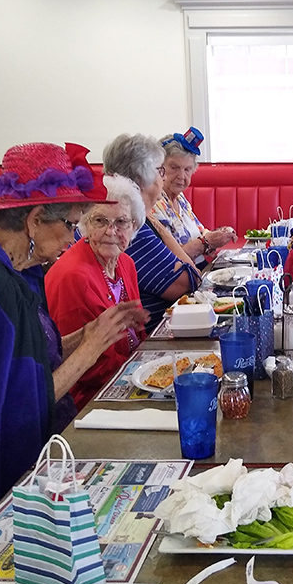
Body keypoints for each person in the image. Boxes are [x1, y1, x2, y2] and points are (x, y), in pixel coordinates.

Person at [0, 142, 147, 515]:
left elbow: (35, 358)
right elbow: (21, 406)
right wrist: (91, 348)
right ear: (35, 220)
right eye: (72, 224)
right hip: (17, 479)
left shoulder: (20, 271)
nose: (75, 237)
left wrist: (87, 334)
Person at [45, 175, 149, 409]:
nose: (111, 231)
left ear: (134, 226)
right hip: (87, 400)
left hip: (127, 378)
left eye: (121, 222)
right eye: (100, 221)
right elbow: (91, 371)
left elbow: (136, 334)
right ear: (84, 225)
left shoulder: (126, 264)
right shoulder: (74, 276)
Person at [102, 133, 203, 331]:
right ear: (142, 179)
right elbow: (189, 281)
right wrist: (159, 228)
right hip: (147, 338)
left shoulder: (126, 217)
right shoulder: (129, 227)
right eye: (161, 170)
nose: (163, 178)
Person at [153, 127, 236, 264]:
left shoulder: (180, 199)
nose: (181, 176)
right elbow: (168, 260)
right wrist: (207, 242)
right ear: (158, 167)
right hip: (182, 279)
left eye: (187, 169)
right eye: (174, 167)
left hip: (199, 270)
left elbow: (201, 232)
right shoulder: (153, 205)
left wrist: (220, 234)